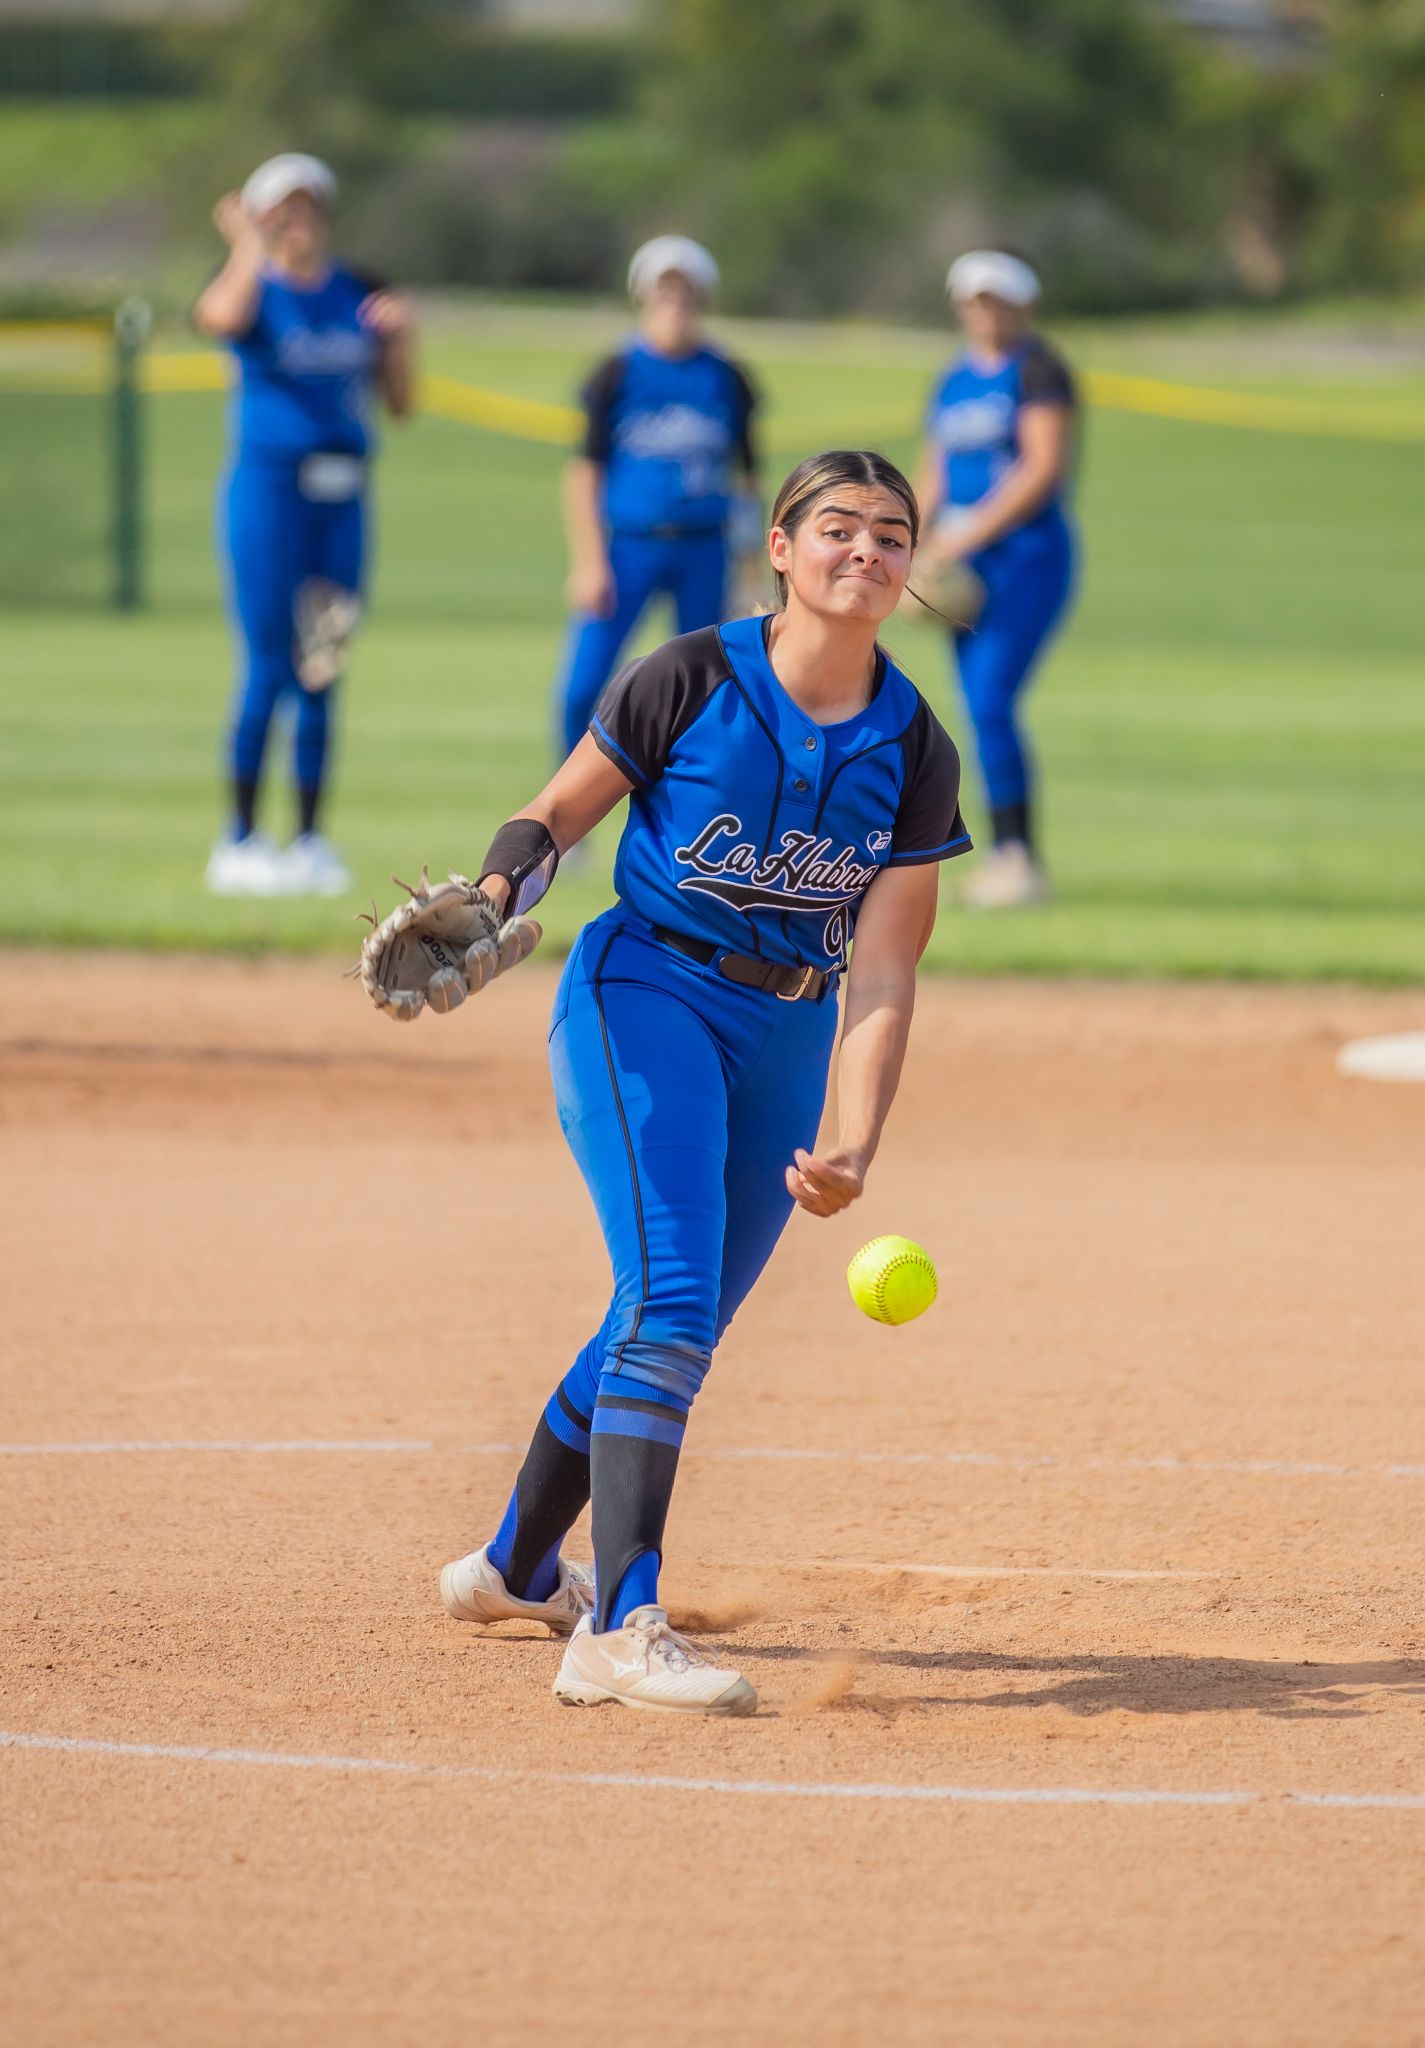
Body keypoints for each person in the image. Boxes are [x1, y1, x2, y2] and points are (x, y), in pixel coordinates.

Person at [435, 450, 971, 1715]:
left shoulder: (915, 743)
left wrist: (855, 1136)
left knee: (671, 1325)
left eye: (892, 535)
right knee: (669, 1299)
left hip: (786, 1037)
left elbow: (883, 974)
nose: (867, 551)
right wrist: (497, 890)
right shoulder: (692, 674)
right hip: (647, 994)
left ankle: (517, 1567)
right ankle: (618, 1627)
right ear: (779, 546)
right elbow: (558, 813)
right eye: (838, 527)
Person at [195, 153, 415, 897]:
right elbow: (217, 318)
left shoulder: (357, 292)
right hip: (269, 495)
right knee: (265, 663)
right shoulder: (254, 288)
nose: (299, 219)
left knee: (323, 664)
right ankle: (239, 840)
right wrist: (244, 246)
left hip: (341, 499)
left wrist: (400, 341)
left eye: (309, 204)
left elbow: (402, 404)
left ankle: (311, 841)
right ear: (260, 217)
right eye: (281, 207)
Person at [555, 234, 761, 764]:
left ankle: (686, 810)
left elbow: (748, 480)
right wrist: (588, 561)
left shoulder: (726, 376)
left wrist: (751, 567)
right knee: (581, 686)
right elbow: (584, 472)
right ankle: (563, 824)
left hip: (703, 549)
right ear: (643, 295)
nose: (675, 303)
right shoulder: (618, 371)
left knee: (706, 688)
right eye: (664, 291)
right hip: (629, 546)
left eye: (686, 292)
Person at [917, 250, 1078, 910]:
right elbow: (934, 475)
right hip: (963, 559)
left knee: (989, 699)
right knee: (976, 707)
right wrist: (908, 541)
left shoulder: (1038, 368)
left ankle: (1019, 859)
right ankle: (1009, 856)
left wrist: (968, 532)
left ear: (1022, 305)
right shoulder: (953, 379)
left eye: (997, 300)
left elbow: (1042, 469)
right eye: (974, 300)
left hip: (1026, 556)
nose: (985, 312)